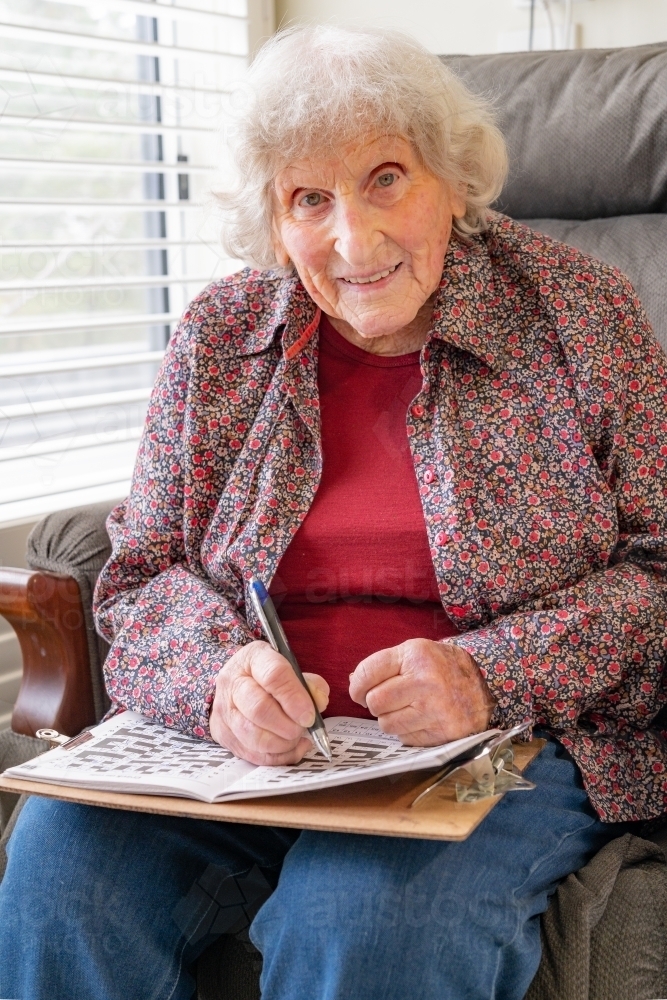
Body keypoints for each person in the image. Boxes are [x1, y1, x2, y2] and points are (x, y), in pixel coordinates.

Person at [2, 24, 667, 1000]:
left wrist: (488, 674)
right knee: (59, 869)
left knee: (360, 917)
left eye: (387, 178)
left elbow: (655, 573)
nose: (353, 240)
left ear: (450, 176)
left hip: (507, 743)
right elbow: (141, 574)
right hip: (243, 752)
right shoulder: (221, 337)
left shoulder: (578, 317)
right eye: (310, 197)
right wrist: (218, 678)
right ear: (274, 219)